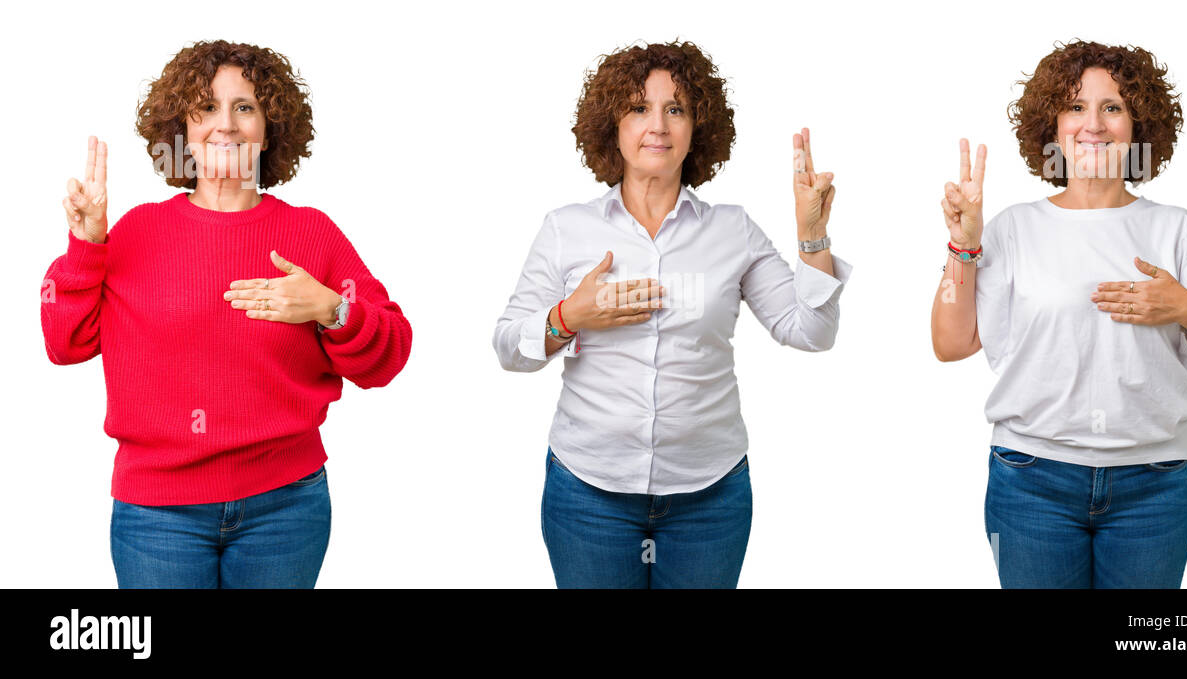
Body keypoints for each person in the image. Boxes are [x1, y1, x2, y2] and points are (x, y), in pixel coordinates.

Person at [40, 40, 413, 588]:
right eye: (207, 107)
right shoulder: (137, 233)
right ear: (182, 130)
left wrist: (333, 310)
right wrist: (86, 243)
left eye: (245, 107)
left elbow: (390, 353)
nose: (227, 125)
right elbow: (64, 343)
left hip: (286, 509)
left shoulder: (312, 234)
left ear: (269, 127)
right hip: (157, 515)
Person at [493, 41, 850, 588]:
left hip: (709, 501)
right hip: (588, 496)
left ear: (696, 128)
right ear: (611, 124)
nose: (656, 125)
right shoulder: (568, 229)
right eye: (638, 108)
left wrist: (811, 235)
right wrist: (569, 315)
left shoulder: (733, 230)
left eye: (675, 109)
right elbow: (507, 347)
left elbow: (811, 331)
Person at [931, 40, 1187, 588]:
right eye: (1076, 107)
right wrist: (963, 245)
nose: (1094, 125)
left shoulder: (1177, 230)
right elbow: (951, 342)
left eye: (1113, 108)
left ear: (1139, 126)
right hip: (1030, 479)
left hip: (1153, 486)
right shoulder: (1013, 228)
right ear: (1052, 125)